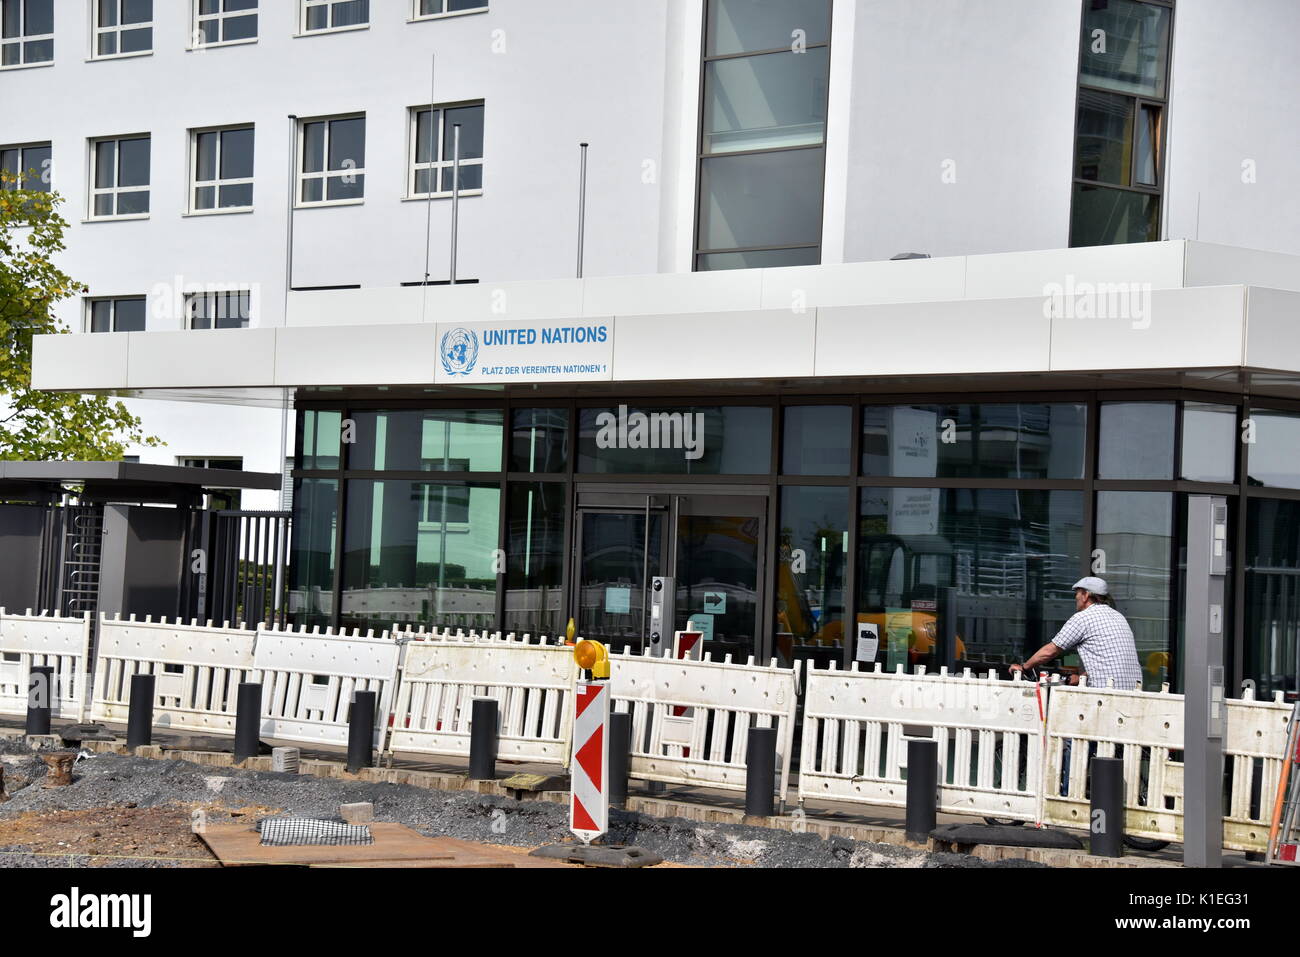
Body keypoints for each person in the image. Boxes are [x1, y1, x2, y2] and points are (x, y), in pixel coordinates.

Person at [1009, 577, 1142, 689]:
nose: (1075, 597)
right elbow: (1109, 660)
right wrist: (1080, 678)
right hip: (1132, 689)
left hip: (1104, 691)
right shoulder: (1119, 617)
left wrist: (1025, 667)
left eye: (1077, 593)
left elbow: (1051, 650)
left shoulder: (1084, 617)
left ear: (1086, 595)